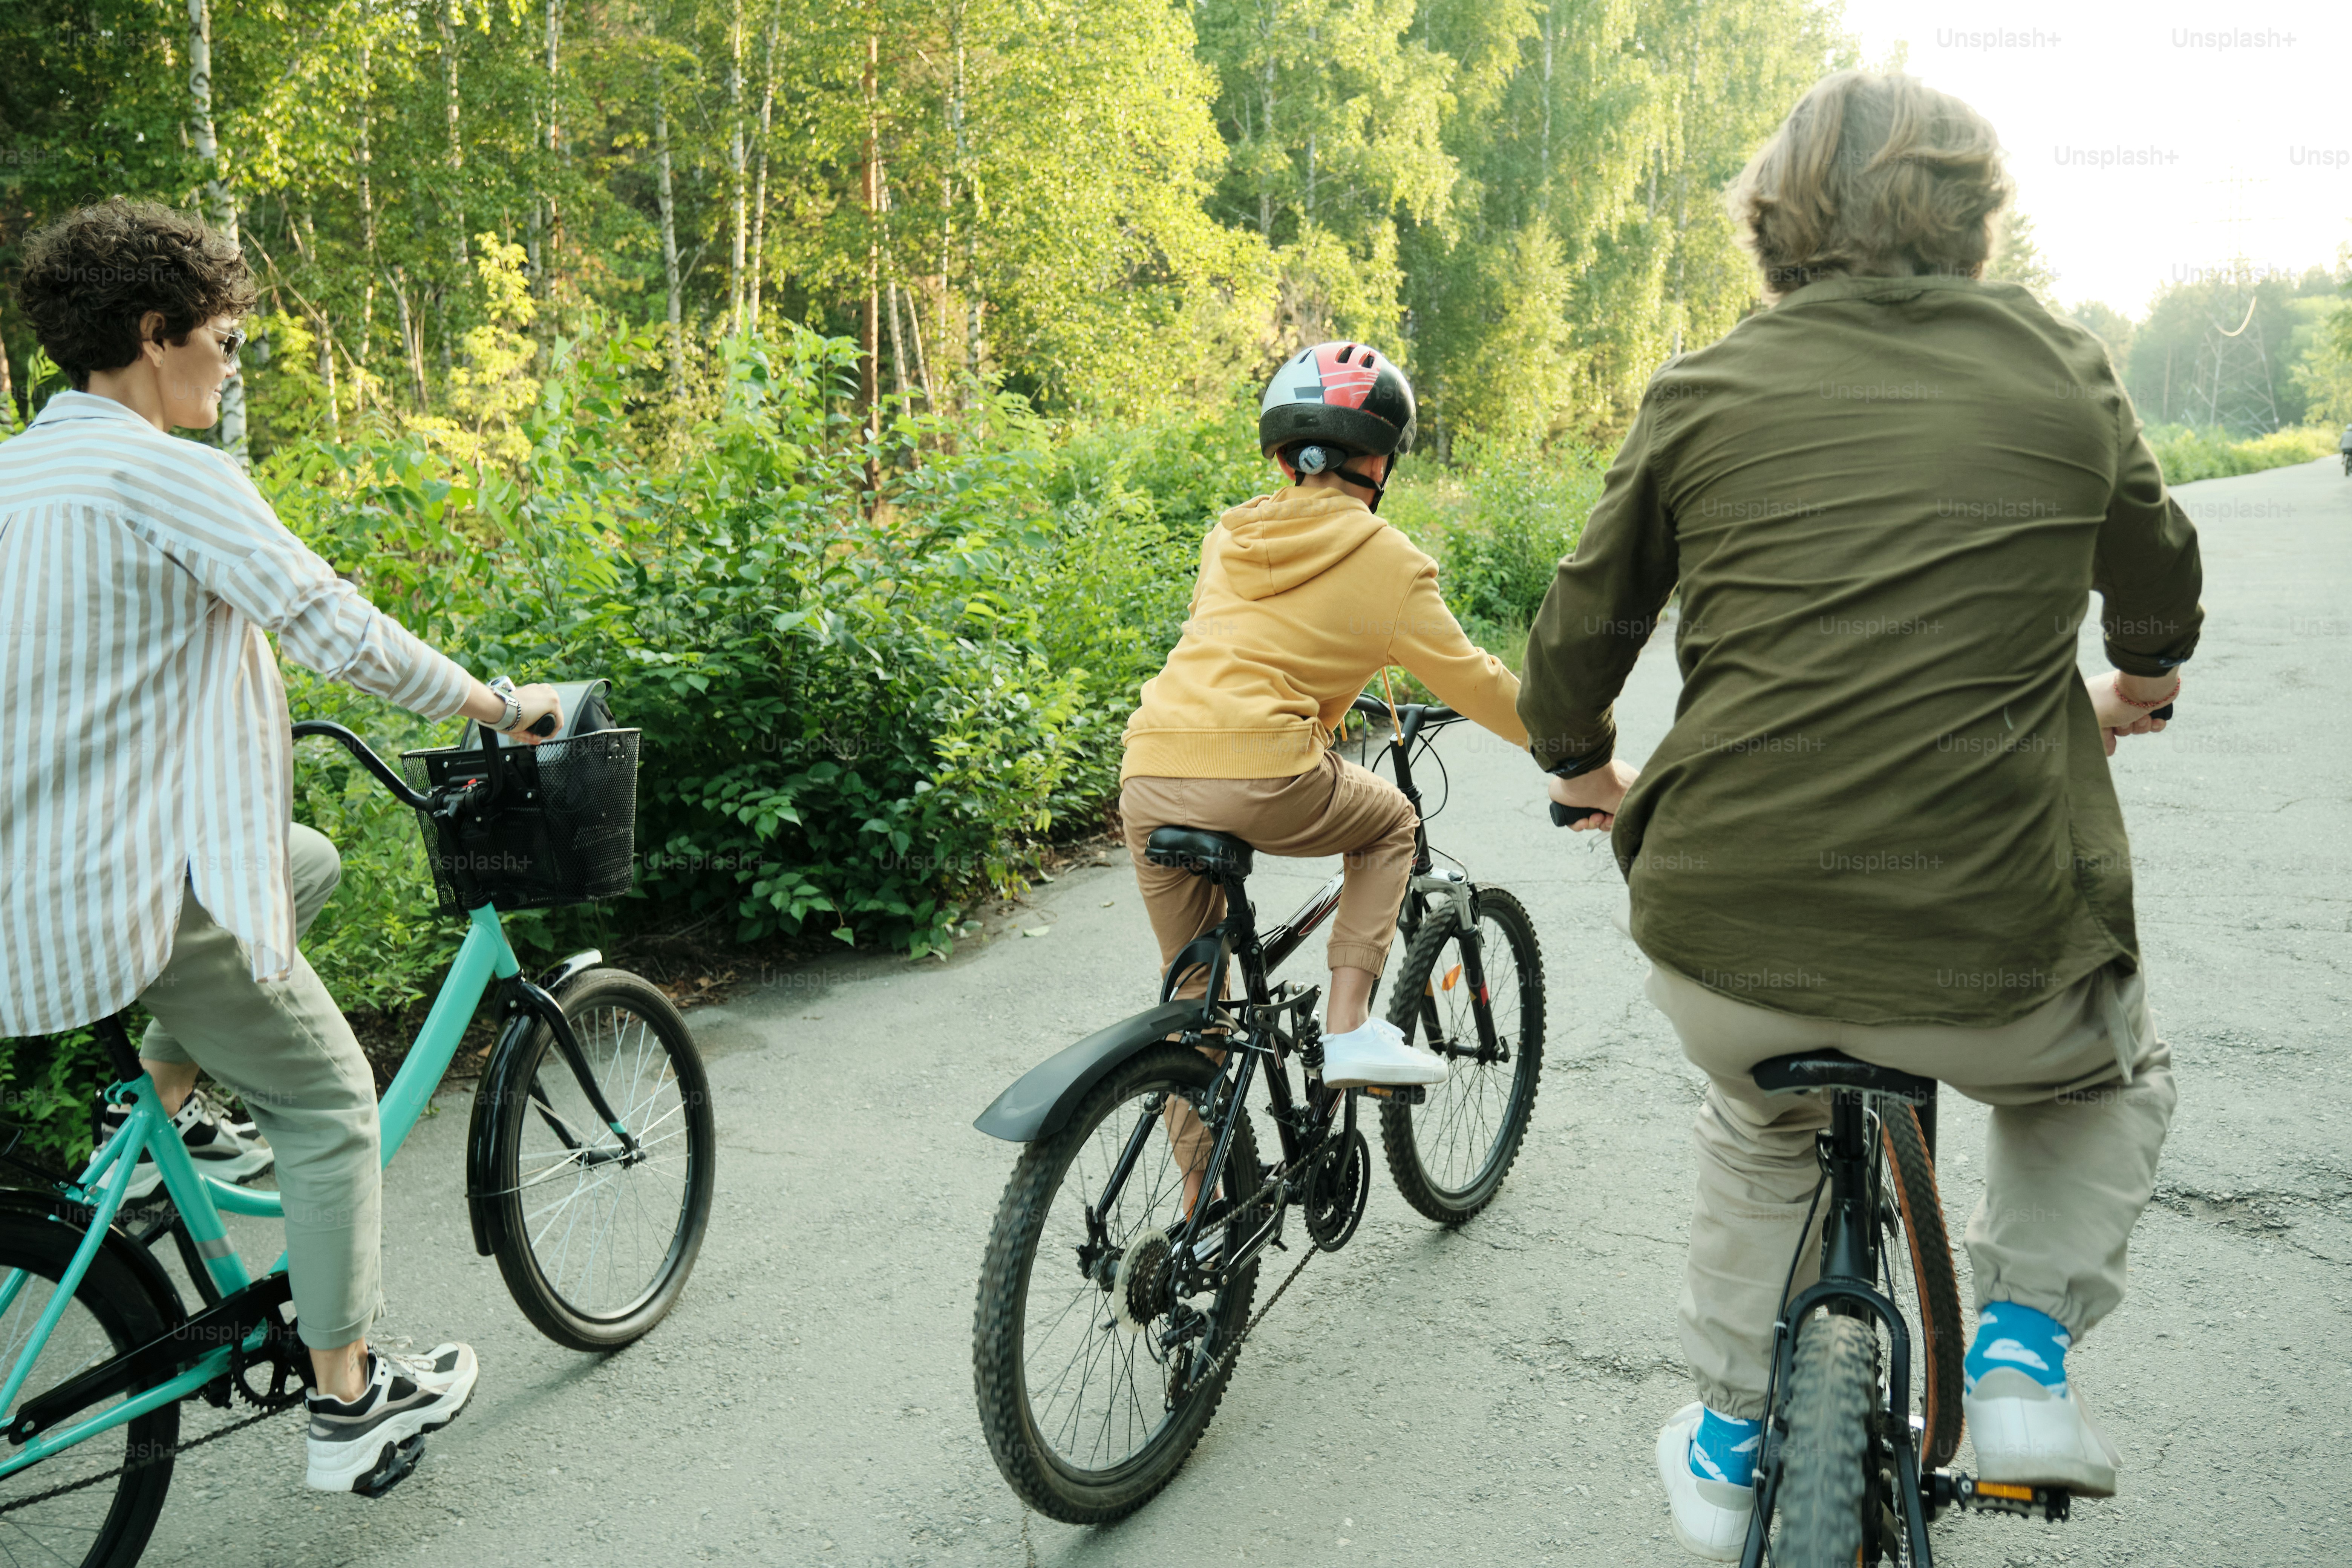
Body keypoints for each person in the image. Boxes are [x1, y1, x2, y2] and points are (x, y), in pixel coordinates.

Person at [1521, 74, 2199, 1559]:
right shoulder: (2061, 367)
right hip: (2005, 964)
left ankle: (1721, 1432)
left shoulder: (1701, 389)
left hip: (1726, 946)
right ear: (1971, 220)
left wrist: (1581, 764)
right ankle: (2019, 1358)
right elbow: (2160, 575)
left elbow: (1578, 630)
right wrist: (2140, 674)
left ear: (1771, 226)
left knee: (1762, 1124)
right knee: (2109, 1070)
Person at [0, 200, 565, 1494]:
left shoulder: (20, 470)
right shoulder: (165, 474)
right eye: (225, 338)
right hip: (126, 884)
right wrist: (493, 704)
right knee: (326, 1106)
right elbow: (328, 620)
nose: (233, 361)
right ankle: (350, 1398)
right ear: (155, 336)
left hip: (29, 879)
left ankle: (171, 1123)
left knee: (298, 862)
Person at [1119, 343, 1528, 1200]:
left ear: (1283, 455)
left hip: (1151, 769)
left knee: (1194, 1006)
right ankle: (1348, 1032)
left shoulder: (1229, 533)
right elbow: (1480, 682)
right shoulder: (1387, 557)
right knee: (1391, 823)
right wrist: (1575, 747)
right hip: (1264, 771)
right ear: (1377, 459)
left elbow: (1243, 646)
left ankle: (1203, 1220)